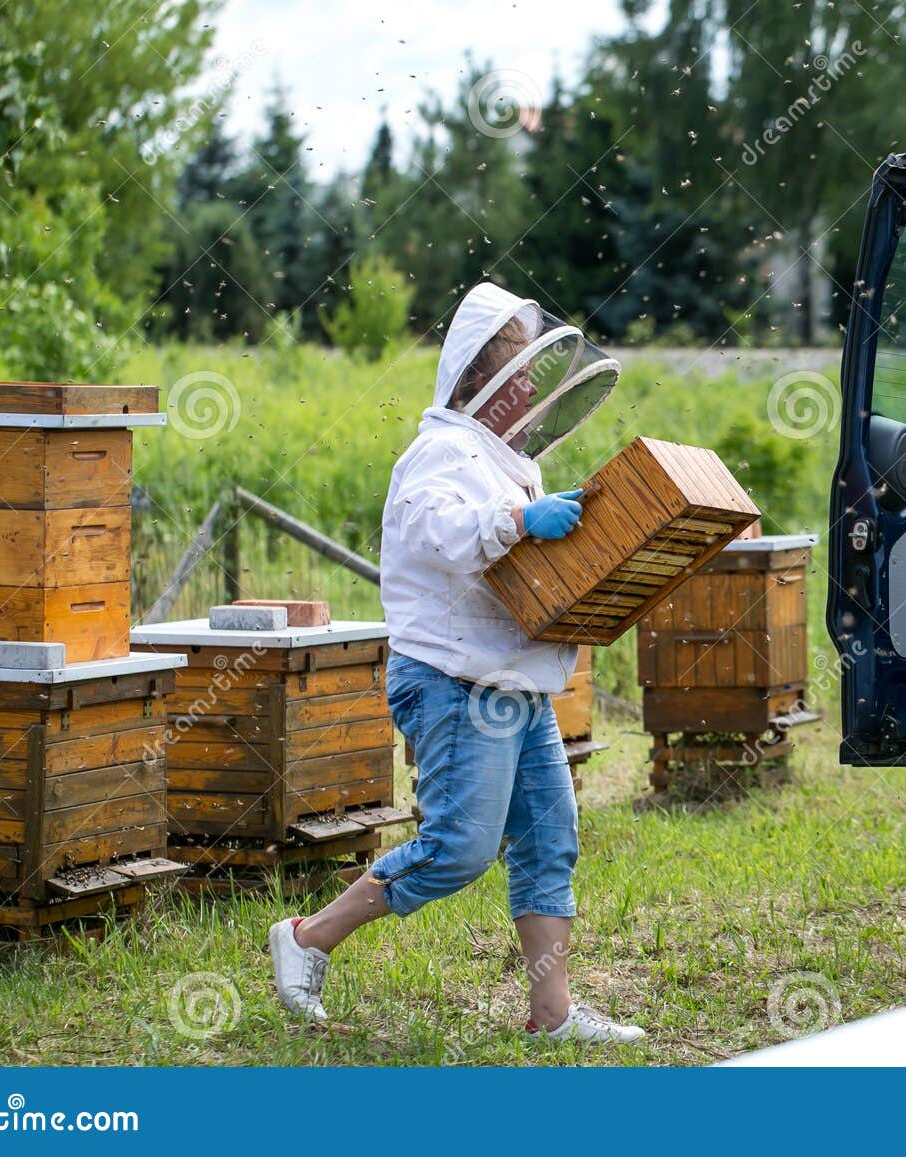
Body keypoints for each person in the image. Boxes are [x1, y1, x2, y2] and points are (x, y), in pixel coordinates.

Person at [268, 282, 645, 1045]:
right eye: (519, 367)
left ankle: (554, 1013)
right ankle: (306, 937)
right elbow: (438, 531)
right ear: (481, 376)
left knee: (548, 837)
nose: (533, 387)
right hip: (452, 680)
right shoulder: (439, 450)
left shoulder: (506, 462)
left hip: (516, 683)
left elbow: (519, 570)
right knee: (460, 847)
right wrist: (517, 520)